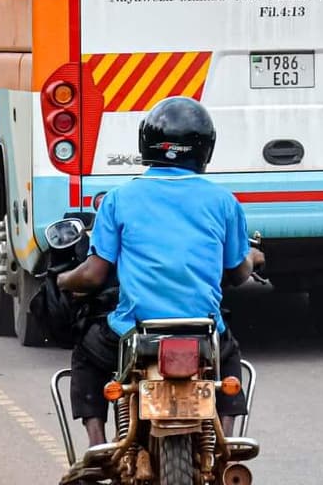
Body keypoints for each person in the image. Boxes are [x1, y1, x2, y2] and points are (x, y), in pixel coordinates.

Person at [56, 97, 262, 447]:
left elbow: (92, 275)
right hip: (203, 331)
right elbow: (237, 273)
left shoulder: (119, 200)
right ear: (206, 150)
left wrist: (62, 280)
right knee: (229, 360)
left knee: (87, 354)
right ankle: (224, 445)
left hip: (135, 331)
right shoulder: (224, 202)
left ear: (145, 145)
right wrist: (253, 259)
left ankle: (96, 445)